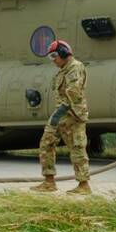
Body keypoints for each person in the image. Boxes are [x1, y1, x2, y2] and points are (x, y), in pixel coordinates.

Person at [33, 39, 91, 195]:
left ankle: (83, 185)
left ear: (64, 53)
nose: (53, 61)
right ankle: (49, 181)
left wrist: (64, 115)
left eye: (54, 56)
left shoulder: (75, 68)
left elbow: (73, 93)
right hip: (61, 114)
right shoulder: (64, 70)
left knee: (77, 147)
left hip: (72, 115)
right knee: (46, 143)